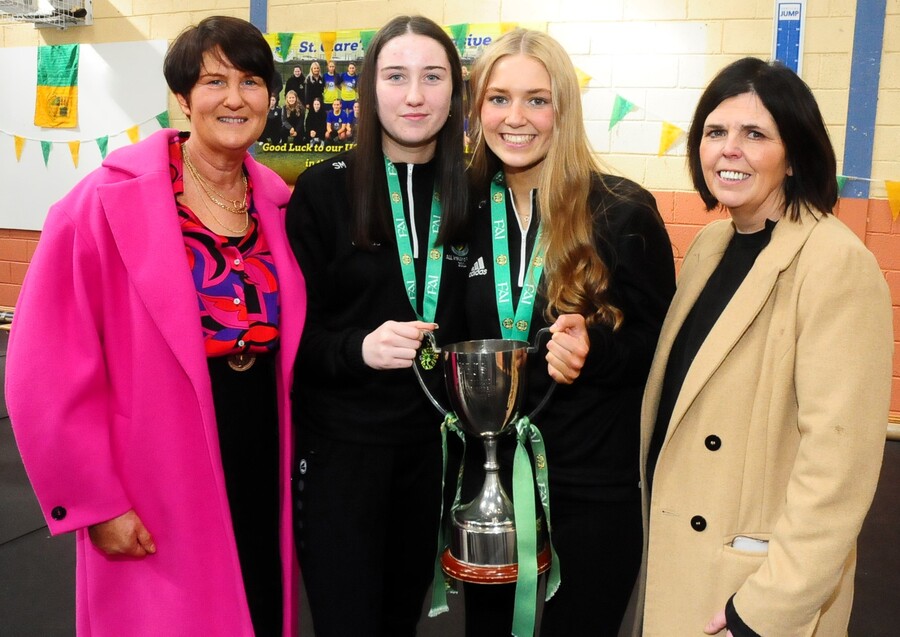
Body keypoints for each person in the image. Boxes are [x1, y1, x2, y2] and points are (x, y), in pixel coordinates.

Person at [5, 15, 306, 637]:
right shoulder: (101, 203)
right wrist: (94, 501)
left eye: (252, 82)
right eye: (214, 81)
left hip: (260, 436)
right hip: (152, 459)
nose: (234, 98)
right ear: (181, 98)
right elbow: (45, 367)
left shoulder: (280, 204)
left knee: (256, 597)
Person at [639, 57, 892, 636]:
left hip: (750, 594)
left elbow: (837, 469)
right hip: (683, 561)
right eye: (715, 131)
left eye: (756, 134)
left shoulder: (835, 264)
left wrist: (765, 610)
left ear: (794, 153)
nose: (730, 149)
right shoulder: (710, 245)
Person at [462, 28, 676, 637]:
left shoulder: (623, 211)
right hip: (493, 490)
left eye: (537, 98)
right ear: (478, 109)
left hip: (590, 492)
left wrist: (596, 352)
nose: (516, 118)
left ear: (564, 108)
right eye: (498, 98)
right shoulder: (464, 212)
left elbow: (662, 350)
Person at [285, 15, 469, 637]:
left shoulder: (475, 195)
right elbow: (288, 344)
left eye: (432, 76)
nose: (414, 95)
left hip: (432, 450)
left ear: (454, 91)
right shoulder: (321, 191)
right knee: (347, 620)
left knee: (399, 620)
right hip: (342, 450)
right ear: (370, 88)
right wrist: (356, 349)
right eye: (396, 76)